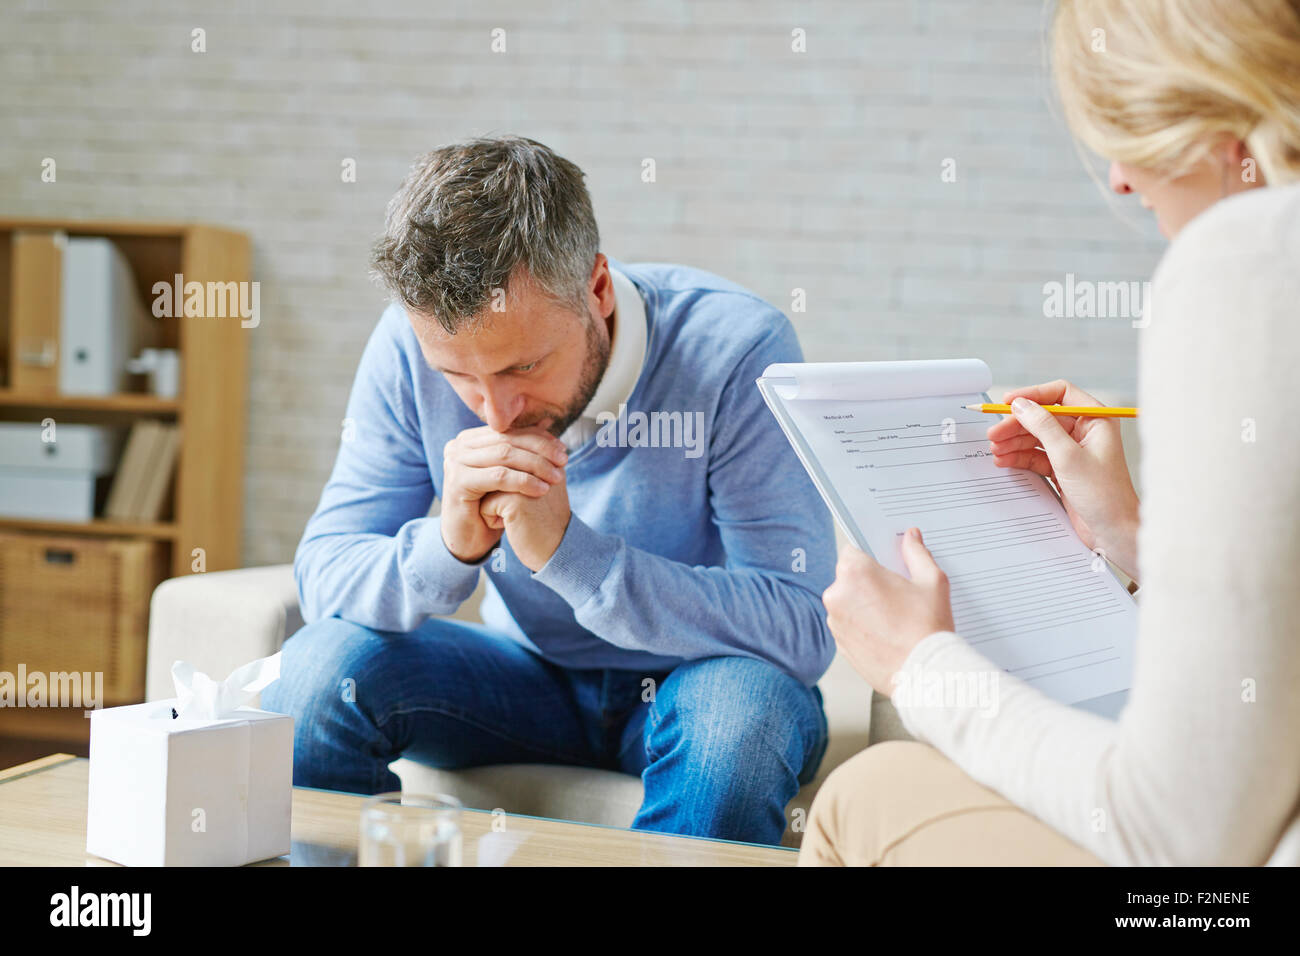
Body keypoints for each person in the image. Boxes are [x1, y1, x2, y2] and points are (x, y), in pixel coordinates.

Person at [801, 0, 1300, 866]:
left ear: (1214, 108)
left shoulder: (1246, 261)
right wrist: (1134, 539)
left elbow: (1177, 835)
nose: (1118, 179)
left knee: (860, 796)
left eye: (1128, 128)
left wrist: (921, 665)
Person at [261, 135, 834, 846]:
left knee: (736, 726)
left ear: (595, 289)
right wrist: (448, 545)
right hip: (523, 680)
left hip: (698, 680)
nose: (494, 413)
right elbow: (325, 574)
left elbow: (801, 623)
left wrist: (572, 555)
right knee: (313, 677)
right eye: (458, 378)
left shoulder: (736, 348)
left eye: (523, 366)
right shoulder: (409, 346)